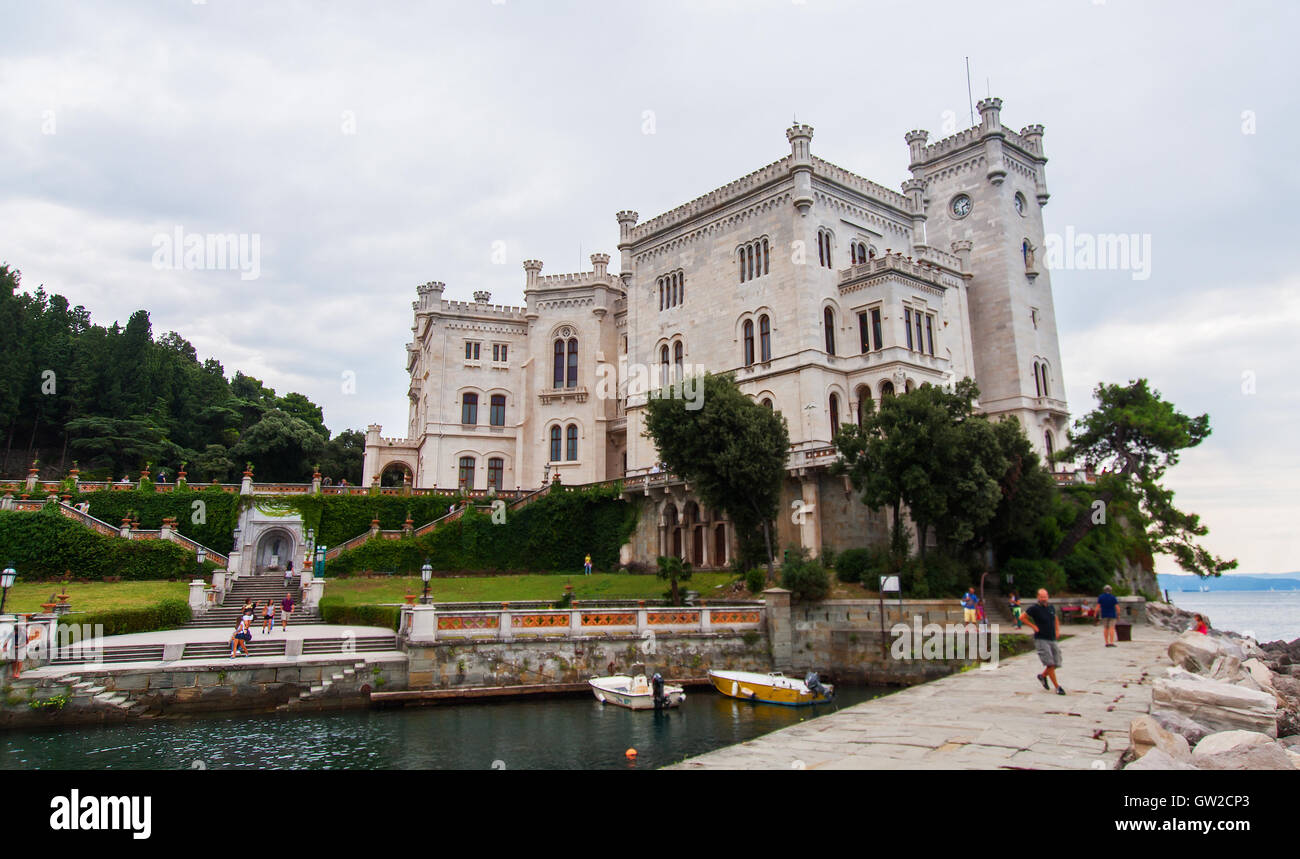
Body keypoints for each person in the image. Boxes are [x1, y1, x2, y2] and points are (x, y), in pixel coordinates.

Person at [1021, 588, 1064, 695]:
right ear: (1038, 597)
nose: (1044, 598)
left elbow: (1055, 619)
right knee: (1050, 663)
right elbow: (1022, 617)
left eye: (1045, 596)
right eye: (1042, 597)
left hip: (1052, 637)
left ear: (1048, 596)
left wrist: (1057, 630)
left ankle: (1043, 676)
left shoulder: (1051, 607)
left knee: (1057, 662)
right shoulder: (1034, 608)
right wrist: (1033, 626)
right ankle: (1057, 687)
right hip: (1041, 639)